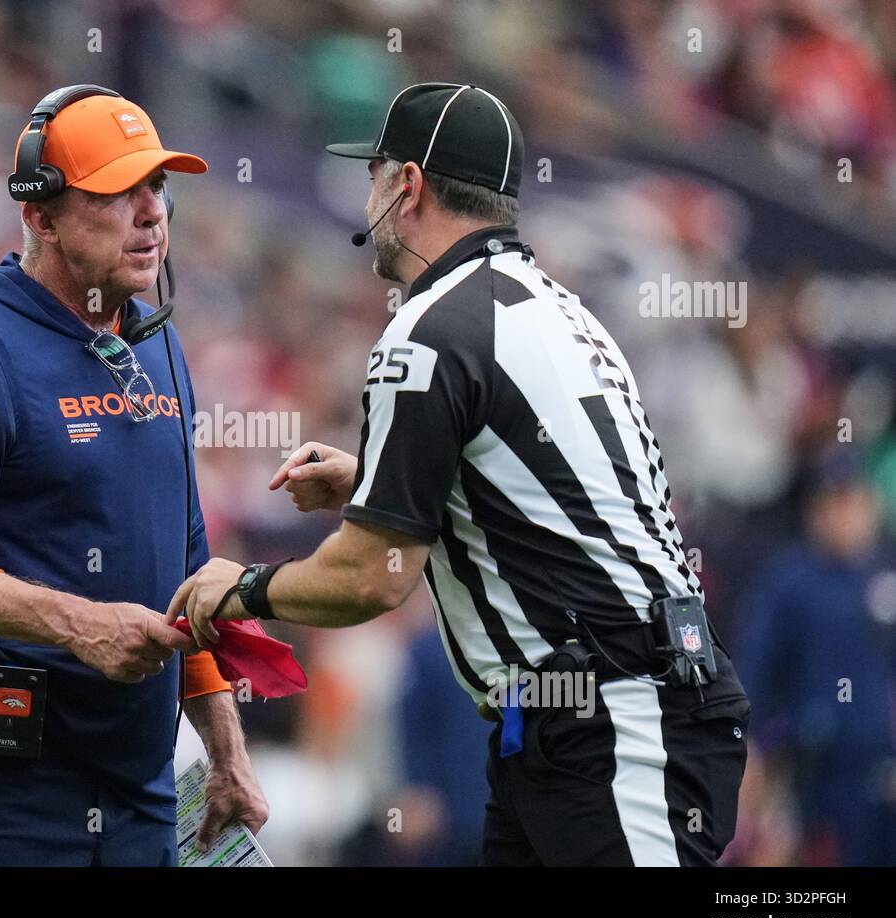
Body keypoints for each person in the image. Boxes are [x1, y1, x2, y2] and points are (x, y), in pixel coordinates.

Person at [169, 82, 749, 866]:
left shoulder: (429, 328)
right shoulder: (560, 309)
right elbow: (551, 490)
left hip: (612, 715)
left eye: (375, 174)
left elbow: (371, 580)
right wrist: (383, 480)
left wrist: (241, 588)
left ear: (406, 186)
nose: (366, 196)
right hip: (598, 705)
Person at [0, 85, 266, 866]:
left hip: (140, 781)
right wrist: (78, 624)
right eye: (118, 192)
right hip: (1, 779)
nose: (151, 212)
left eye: (158, 186)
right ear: (40, 214)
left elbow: (183, 564)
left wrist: (224, 746)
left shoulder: (155, 343)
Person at [736, 451, 896, 865]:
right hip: (817, 767)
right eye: (832, 502)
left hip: (884, 762)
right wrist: (749, 745)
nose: (843, 515)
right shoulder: (789, 581)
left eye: (851, 500)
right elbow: (754, 668)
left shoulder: (886, 573)